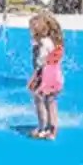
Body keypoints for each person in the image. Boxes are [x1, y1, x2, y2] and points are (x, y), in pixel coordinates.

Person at [27, 11, 65, 140]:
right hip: (54, 74)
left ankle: (42, 127)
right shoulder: (51, 42)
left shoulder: (43, 43)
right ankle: (52, 128)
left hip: (45, 74)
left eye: (32, 30)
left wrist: (35, 77)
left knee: (39, 100)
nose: (30, 33)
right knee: (51, 101)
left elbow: (40, 62)